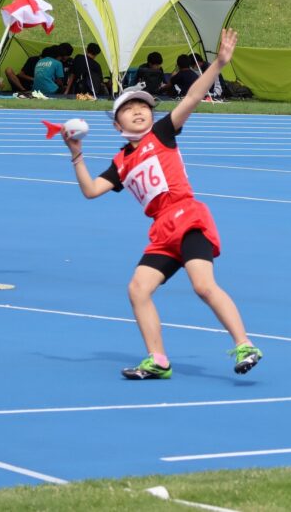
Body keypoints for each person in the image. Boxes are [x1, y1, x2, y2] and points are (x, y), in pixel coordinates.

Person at [60, 28, 262, 379]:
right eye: (129, 108)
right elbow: (91, 190)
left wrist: (217, 64)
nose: (139, 111)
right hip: (162, 231)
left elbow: (192, 99)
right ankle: (158, 359)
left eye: (143, 107)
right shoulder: (121, 161)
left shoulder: (162, 133)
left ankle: (244, 344)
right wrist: (76, 155)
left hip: (187, 217)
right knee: (138, 289)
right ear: (116, 123)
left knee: (203, 285)